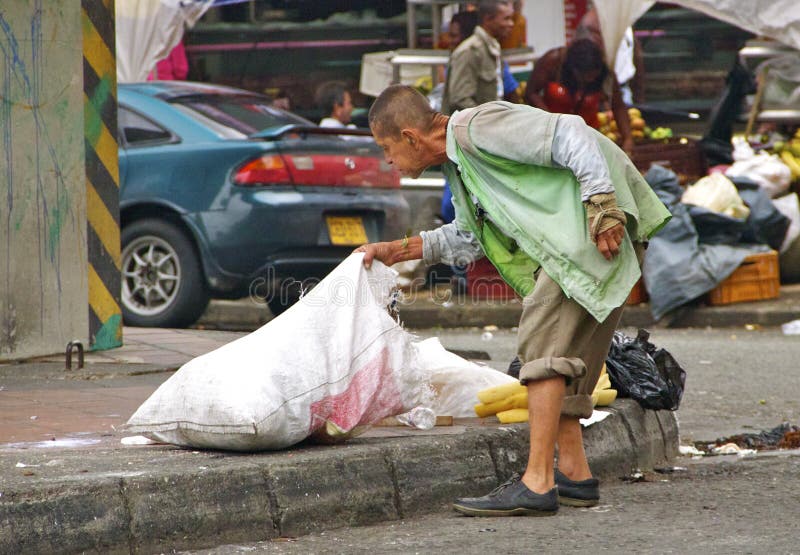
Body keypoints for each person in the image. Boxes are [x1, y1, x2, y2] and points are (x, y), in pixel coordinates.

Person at [355, 85, 670, 517]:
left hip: (590, 228)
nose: (387, 160)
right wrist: (396, 249)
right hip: (578, 237)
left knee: (541, 346)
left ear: (409, 137)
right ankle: (575, 474)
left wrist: (601, 201)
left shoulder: (476, 129)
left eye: (386, 147)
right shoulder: (460, 167)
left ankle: (537, 482)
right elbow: (466, 237)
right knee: (569, 357)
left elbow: (570, 133)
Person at [525, 38, 635, 153]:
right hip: (551, 138)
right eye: (586, 77)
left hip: (588, 139)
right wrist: (552, 123)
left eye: (594, 77)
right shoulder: (554, 61)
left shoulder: (605, 73)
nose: (590, 80)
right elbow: (531, 93)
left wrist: (628, 139)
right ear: (574, 69)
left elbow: (618, 106)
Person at [441, 0, 515, 115]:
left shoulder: (493, 48)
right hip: (473, 129)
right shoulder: (470, 51)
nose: (511, 24)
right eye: (506, 19)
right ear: (488, 19)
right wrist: (488, 120)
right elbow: (460, 99)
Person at [575, 6, 646, 106]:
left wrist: (639, 98)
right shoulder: (591, 23)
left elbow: (636, 61)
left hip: (623, 89)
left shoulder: (626, 28)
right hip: (596, 92)